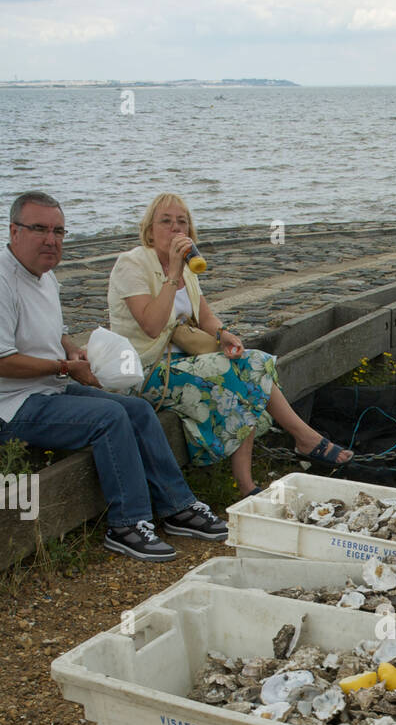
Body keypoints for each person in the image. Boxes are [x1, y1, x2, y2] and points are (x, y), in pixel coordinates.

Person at [0, 191, 227, 562]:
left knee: (135, 410)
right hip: (12, 406)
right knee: (109, 418)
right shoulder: (3, 280)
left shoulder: (44, 276)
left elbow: (53, 332)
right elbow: (3, 361)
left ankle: (177, 506)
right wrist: (63, 367)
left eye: (58, 231)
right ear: (14, 231)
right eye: (39, 229)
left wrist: (72, 351)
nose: (51, 240)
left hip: (49, 389)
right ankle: (127, 524)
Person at [108, 193, 352, 497]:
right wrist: (172, 274)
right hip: (143, 368)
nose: (175, 228)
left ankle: (291, 446)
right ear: (149, 229)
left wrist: (224, 334)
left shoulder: (186, 269)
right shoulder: (132, 264)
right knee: (230, 372)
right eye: (166, 221)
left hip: (183, 360)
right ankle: (260, 471)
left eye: (181, 222)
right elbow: (151, 324)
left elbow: (205, 315)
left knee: (254, 361)